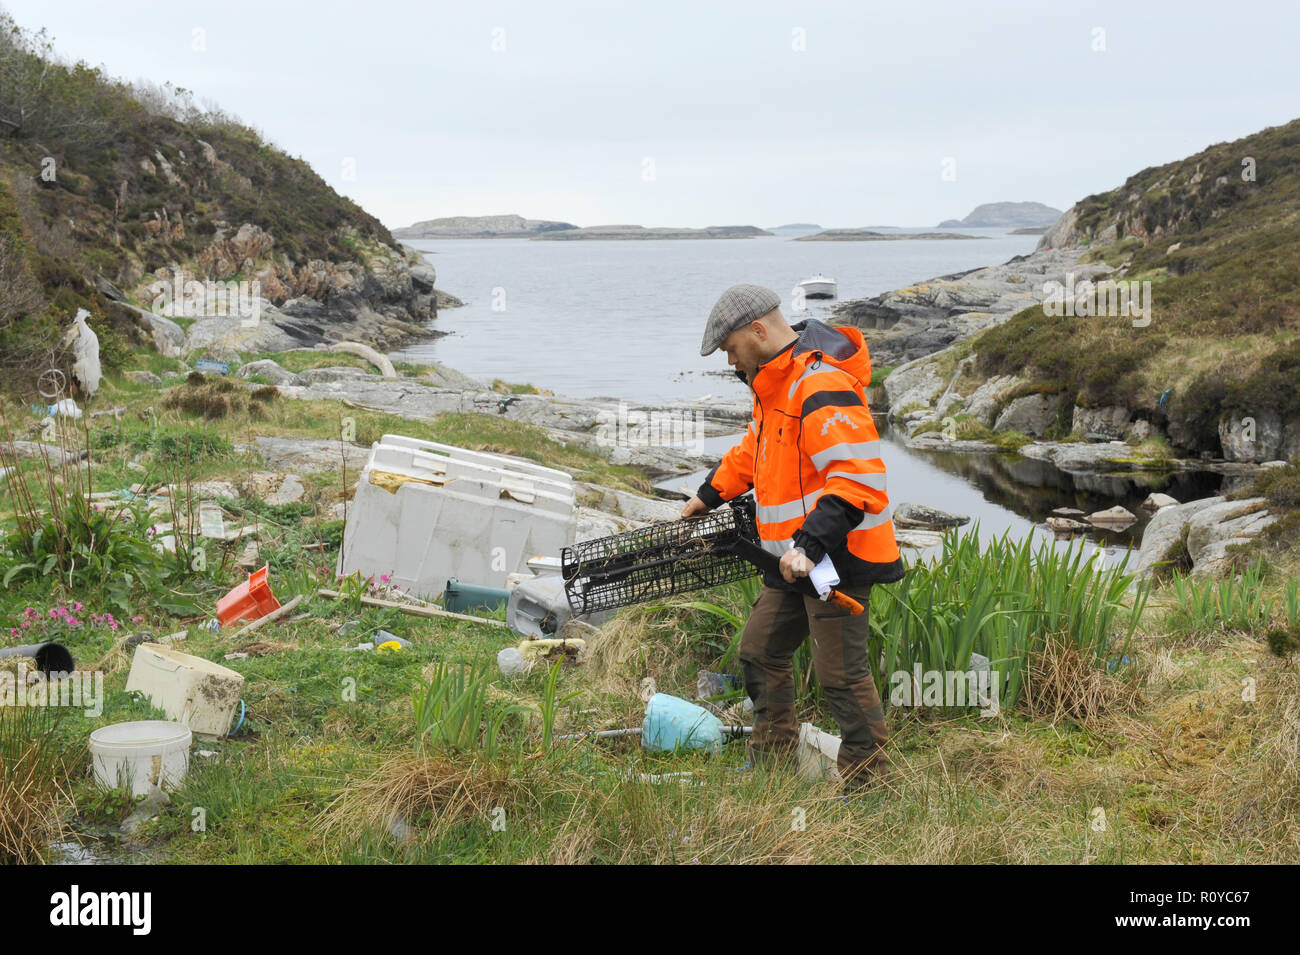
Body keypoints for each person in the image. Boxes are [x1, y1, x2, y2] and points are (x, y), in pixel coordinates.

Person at [681, 284, 905, 791]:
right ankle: (773, 763)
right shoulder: (773, 385)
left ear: (758, 331)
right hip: (791, 560)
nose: (732, 364)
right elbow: (753, 452)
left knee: (841, 677)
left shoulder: (820, 384)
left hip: (836, 560)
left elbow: (855, 478)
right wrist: (708, 495)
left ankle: (870, 787)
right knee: (759, 651)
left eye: (732, 351)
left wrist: (809, 546)